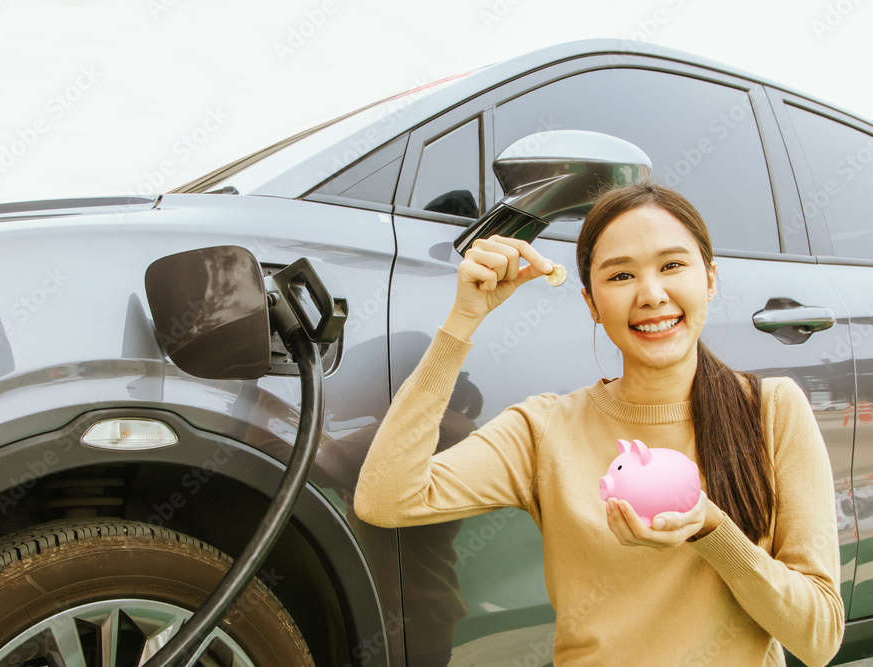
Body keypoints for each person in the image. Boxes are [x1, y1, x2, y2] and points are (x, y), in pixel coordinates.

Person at [353, 181, 844, 665]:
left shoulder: (772, 409)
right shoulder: (546, 428)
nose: (651, 295)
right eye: (620, 276)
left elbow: (818, 638)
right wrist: (463, 318)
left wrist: (712, 529)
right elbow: (386, 498)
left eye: (672, 265)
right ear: (591, 303)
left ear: (710, 279)